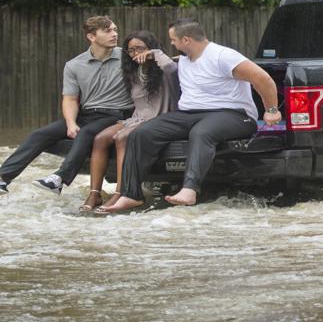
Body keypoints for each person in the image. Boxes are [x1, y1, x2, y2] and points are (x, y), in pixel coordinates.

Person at [97, 18, 281, 214]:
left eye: (174, 40)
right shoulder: (184, 59)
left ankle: (189, 189)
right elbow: (169, 63)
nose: (172, 44)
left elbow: (263, 78)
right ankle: (131, 195)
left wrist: (271, 110)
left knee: (201, 132)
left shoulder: (223, 56)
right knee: (142, 133)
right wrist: (151, 55)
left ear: (186, 40)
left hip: (234, 115)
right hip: (191, 114)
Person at [0, 15, 134, 195]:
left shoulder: (127, 58)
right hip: (87, 114)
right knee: (40, 134)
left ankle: (59, 179)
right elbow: (70, 99)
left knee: (86, 133)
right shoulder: (74, 65)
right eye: (108, 31)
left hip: (117, 115)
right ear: (91, 36)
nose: (115, 34)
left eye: (115, 30)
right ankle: (0, 179)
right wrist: (70, 123)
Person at [82, 32, 180, 212]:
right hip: (137, 118)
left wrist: (154, 54)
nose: (135, 53)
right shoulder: (133, 72)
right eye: (131, 50)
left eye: (140, 48)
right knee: (101, 138)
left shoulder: (163, 67)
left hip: (161, 117)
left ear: (150, 47)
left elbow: (171, 68)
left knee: (122, 137)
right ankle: (94, 193)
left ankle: (122, 192)